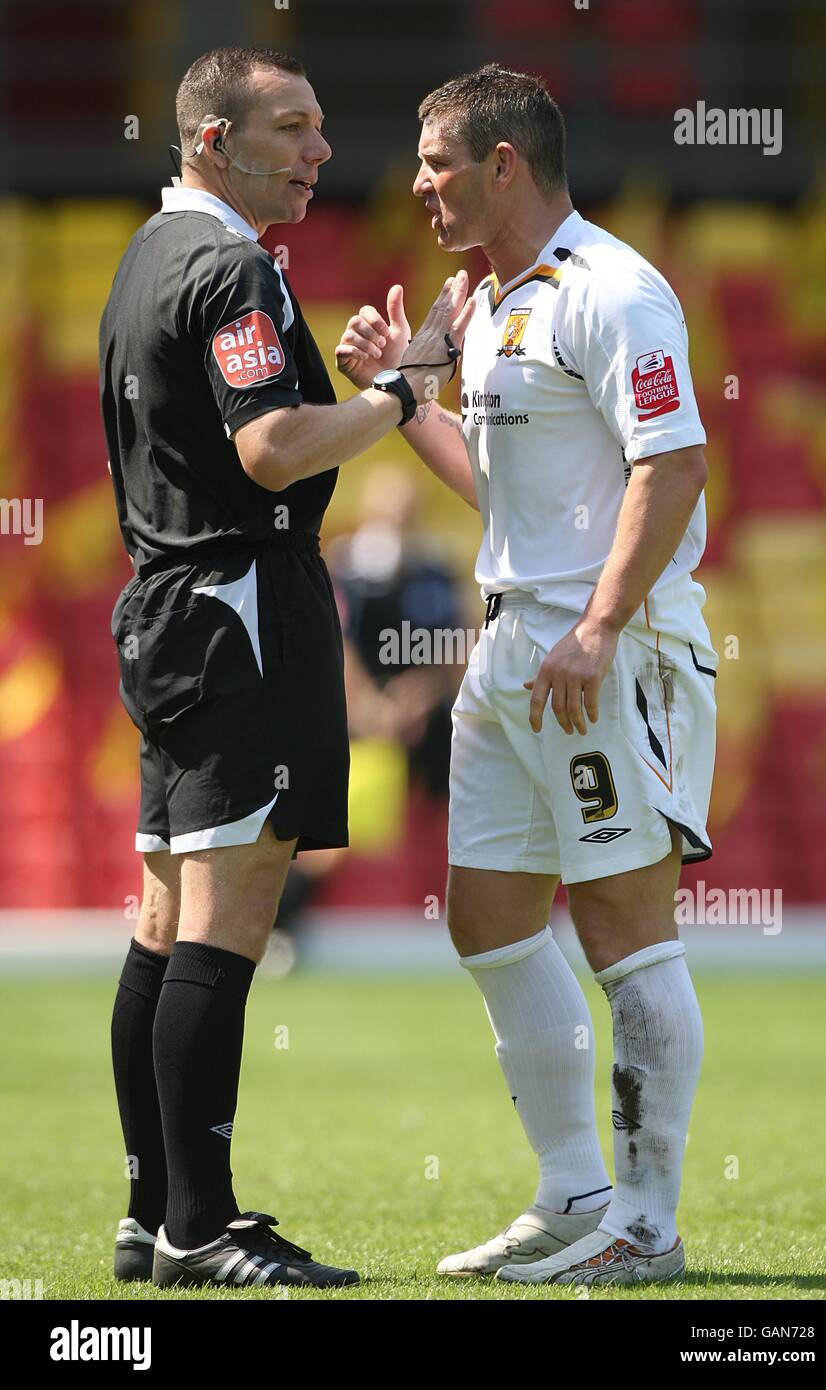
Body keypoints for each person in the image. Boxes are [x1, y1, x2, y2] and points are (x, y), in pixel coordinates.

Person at [336, 63, 717, 1288]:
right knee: (487, 914)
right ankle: (572, 1193)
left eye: (436, 162)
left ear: (504, 164)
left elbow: (675, 464)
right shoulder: (490, 307)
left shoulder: (614, 288)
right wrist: (406, 396)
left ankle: (646, 1227)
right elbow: (505, 497)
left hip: (602, 649)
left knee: (623, 931)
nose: (417, 185)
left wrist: (599, 624)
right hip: (512, 649)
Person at [100, 45, 472, 1290]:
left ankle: (153, 1215)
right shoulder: (230, 266)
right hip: (238, 609)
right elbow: (270, 448)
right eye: (292, 127)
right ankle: (201, 1229)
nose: (321, 150)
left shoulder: (148, 254)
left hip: (169, 609)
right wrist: (405, 391)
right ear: (215, 141)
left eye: (319, 125)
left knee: (163, 921)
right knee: (224, 920)